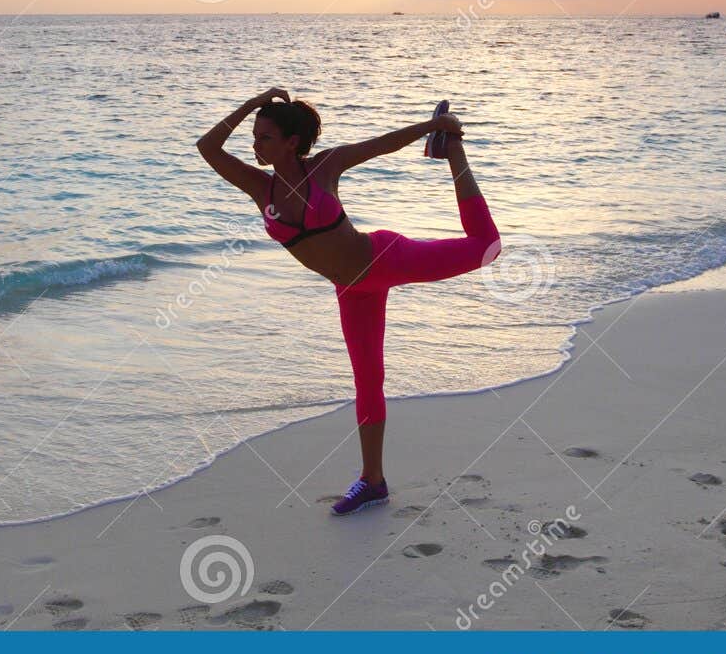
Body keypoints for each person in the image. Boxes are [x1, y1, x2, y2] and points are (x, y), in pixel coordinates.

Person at [195, 88, 501, 515]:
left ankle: (453, 155)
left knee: (487, 248)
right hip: (352, 290)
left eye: (264, 137)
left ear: (291, 142)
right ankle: (372, 482)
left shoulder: (324, 168)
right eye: (254, 137)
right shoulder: (259, 187)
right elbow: (207, 147)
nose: (255, 145)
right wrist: (254, 102)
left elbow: (382, 145)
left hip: (385, 259)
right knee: (367, 381)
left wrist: (434, 129)